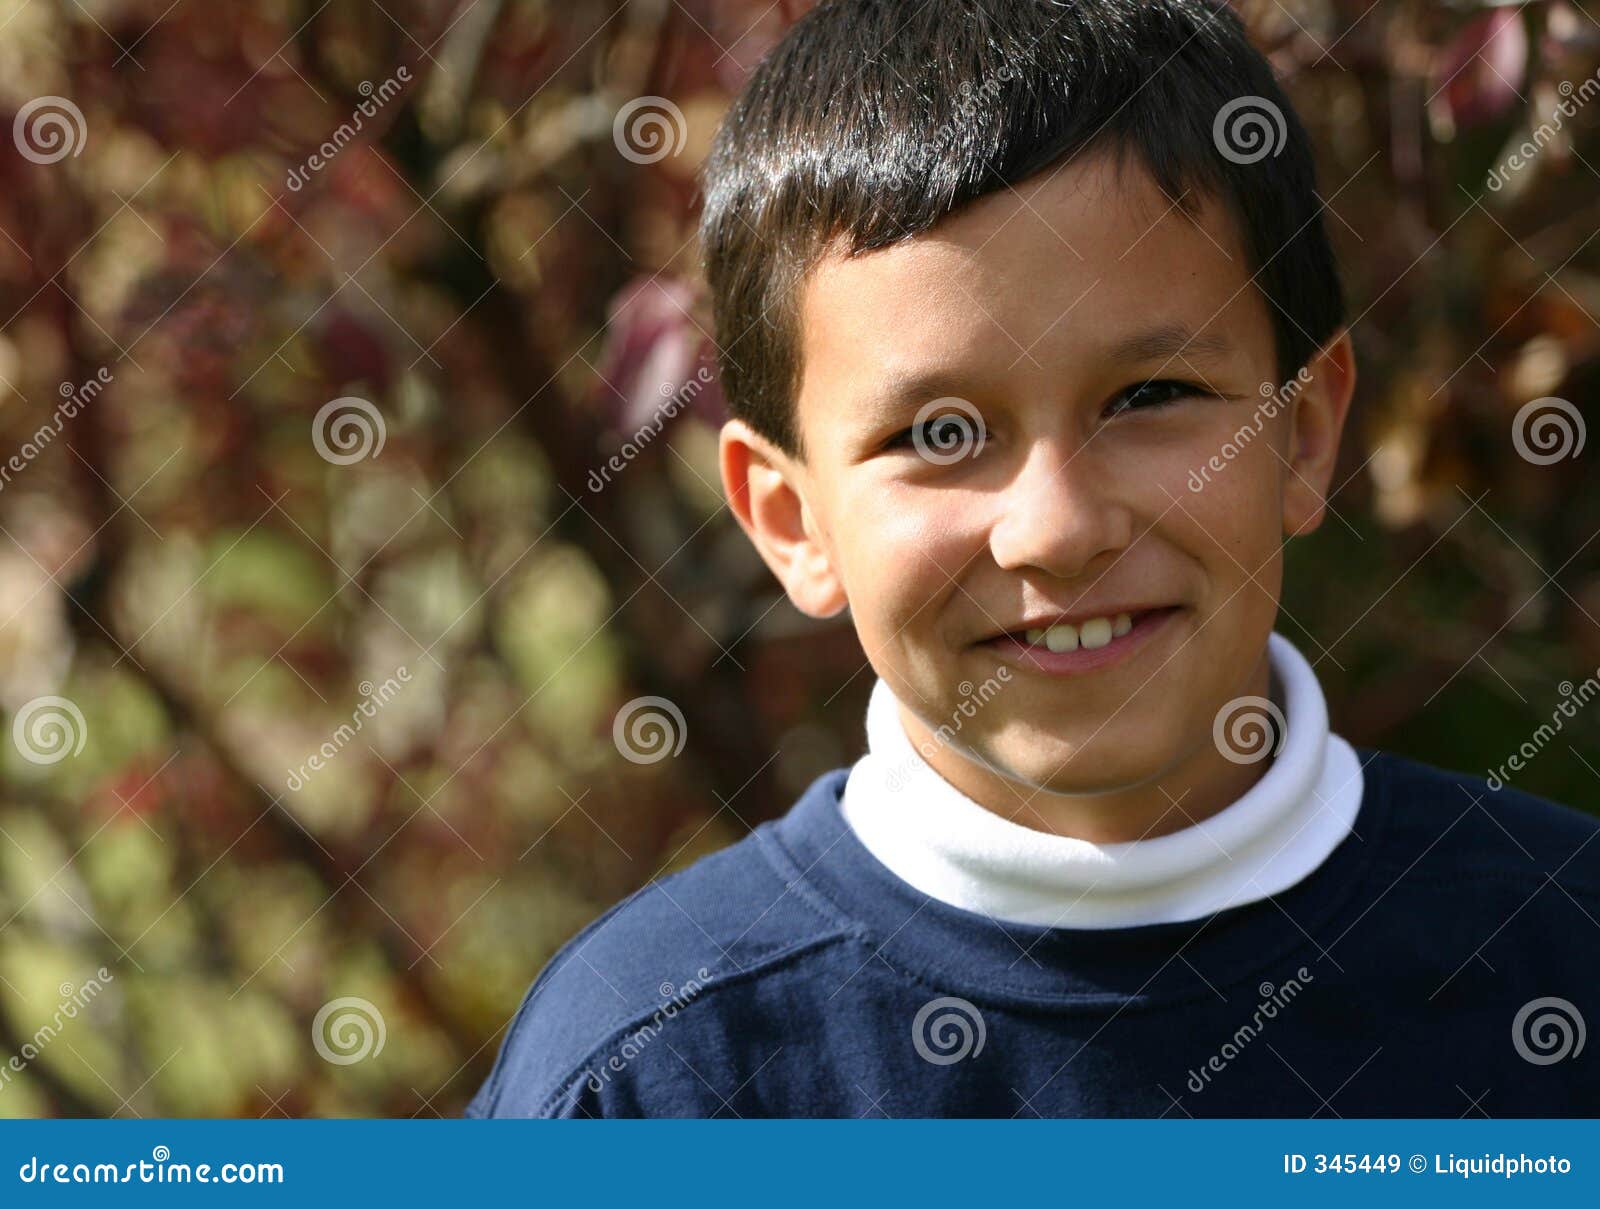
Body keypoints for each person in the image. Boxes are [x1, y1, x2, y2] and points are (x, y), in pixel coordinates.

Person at [466, 0, 1599, 1117]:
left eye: (1150, 397)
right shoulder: (650, 1076)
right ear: (790, 520)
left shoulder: (1558, 946)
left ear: (1300, 437)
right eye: (937, 435)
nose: (1056, 530)